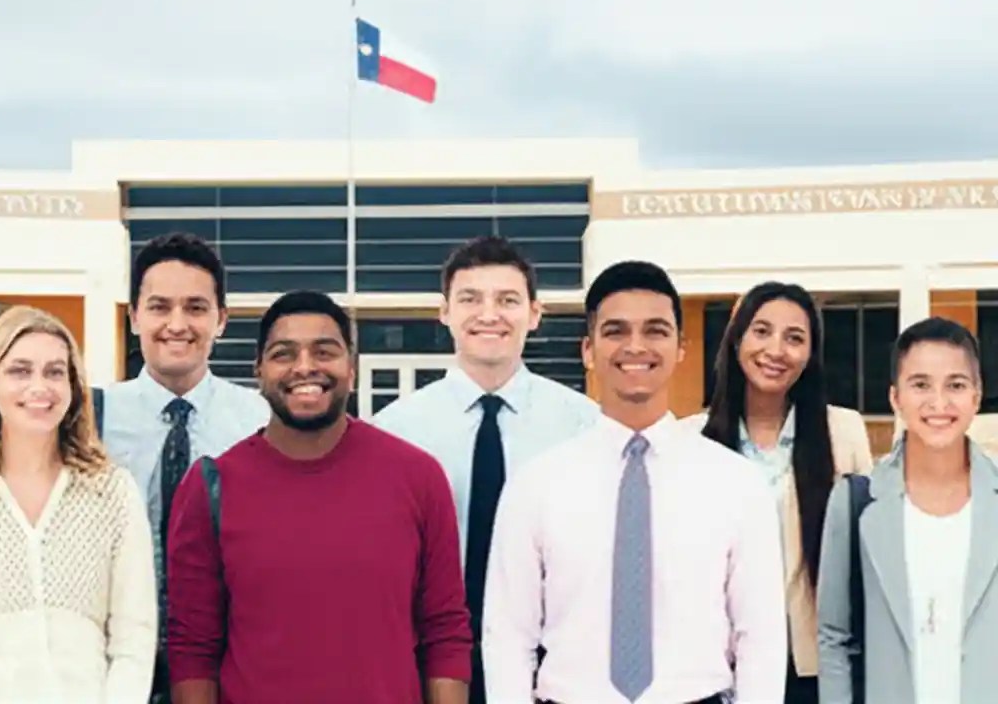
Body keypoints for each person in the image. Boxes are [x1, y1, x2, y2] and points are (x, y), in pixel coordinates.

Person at [482, 261, 786, 704]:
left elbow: (759, 636)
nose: (635, 346)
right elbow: (508, 635)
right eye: (616, 331)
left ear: (681, 348)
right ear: (588, 350)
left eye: (655, 330)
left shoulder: (736, 483)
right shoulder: (536, 484)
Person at [167, 290, 473, 704]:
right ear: (259, 370)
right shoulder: (211, 486)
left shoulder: (418, 478)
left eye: (324, 351)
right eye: (283, 354)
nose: (305, 367)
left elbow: (445, 632)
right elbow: (193, 648)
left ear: (353, 368)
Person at [372, 235, 598, 702]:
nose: (489, 314)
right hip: (429, 661)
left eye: (508, 300)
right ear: (445, 312)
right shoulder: (394, 430)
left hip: (551, 659)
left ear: (535, 314)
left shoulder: (584, 425)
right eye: (470, 299)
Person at [0, 306, 157, 704]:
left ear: (74, 386)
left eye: (55, 372)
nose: (39, 386)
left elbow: (134, 640)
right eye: (20, 371)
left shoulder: (113, 492)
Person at [97, 231, 270, 703]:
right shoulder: (90, 418)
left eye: (195, 308)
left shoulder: (262, 422)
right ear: (133, 317)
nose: (177, 324)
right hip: (111, 663)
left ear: (222, 320)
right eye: (159, 307)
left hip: (229, 661)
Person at [687, 282, 873, 703]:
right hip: (718, 668)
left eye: (795, 338)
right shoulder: (689, 439)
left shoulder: (843, 432)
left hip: (810, 667)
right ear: (736, 340)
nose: (776, 349)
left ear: (811, 354)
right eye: (762, 331)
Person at [818, 317, 998, 703]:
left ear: (977, 396)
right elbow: (835, 636)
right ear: (895, 398)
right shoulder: (857, 501)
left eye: (956, 385)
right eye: (920, 385)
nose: (938, 403)